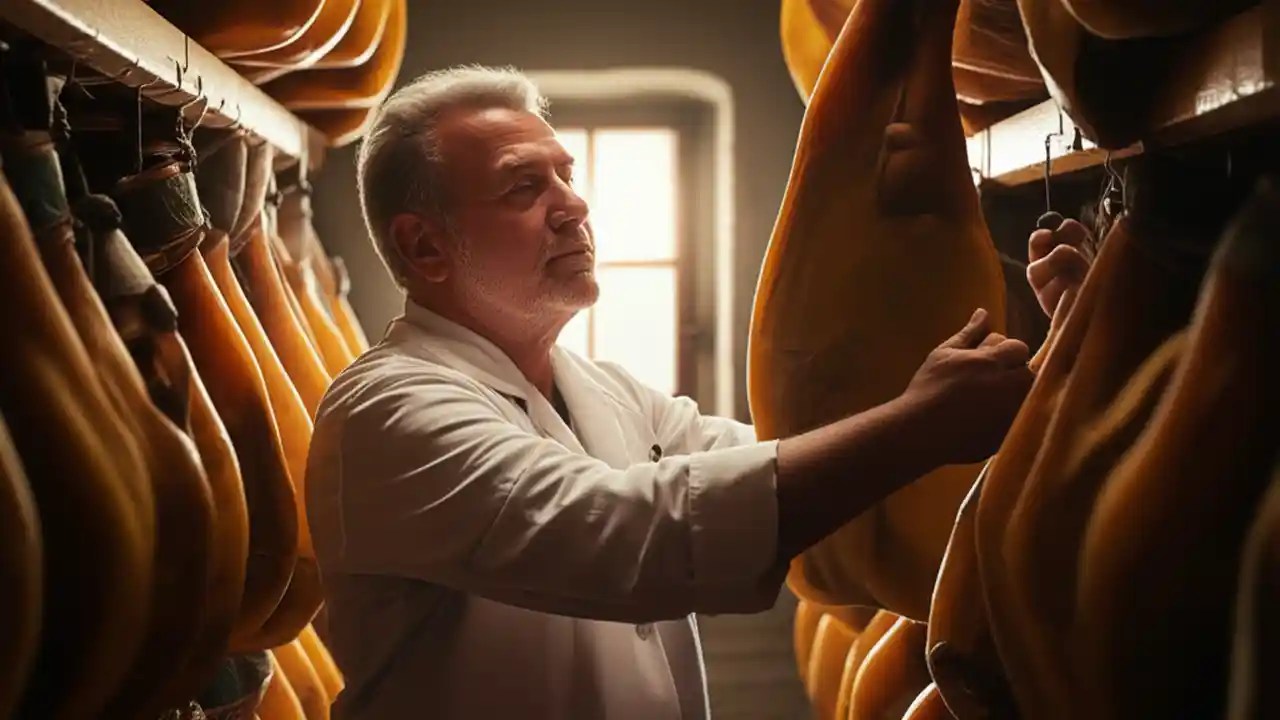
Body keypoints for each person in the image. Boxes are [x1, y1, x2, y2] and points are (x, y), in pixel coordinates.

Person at [305, 65, 1094, 719]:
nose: (572, 206)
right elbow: (626, 533)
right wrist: (922, 421)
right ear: (424, 245)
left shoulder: (608, 394)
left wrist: (1066, 351)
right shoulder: (389, 411)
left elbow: (805, 474)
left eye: (566, 177)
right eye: (522, 189)